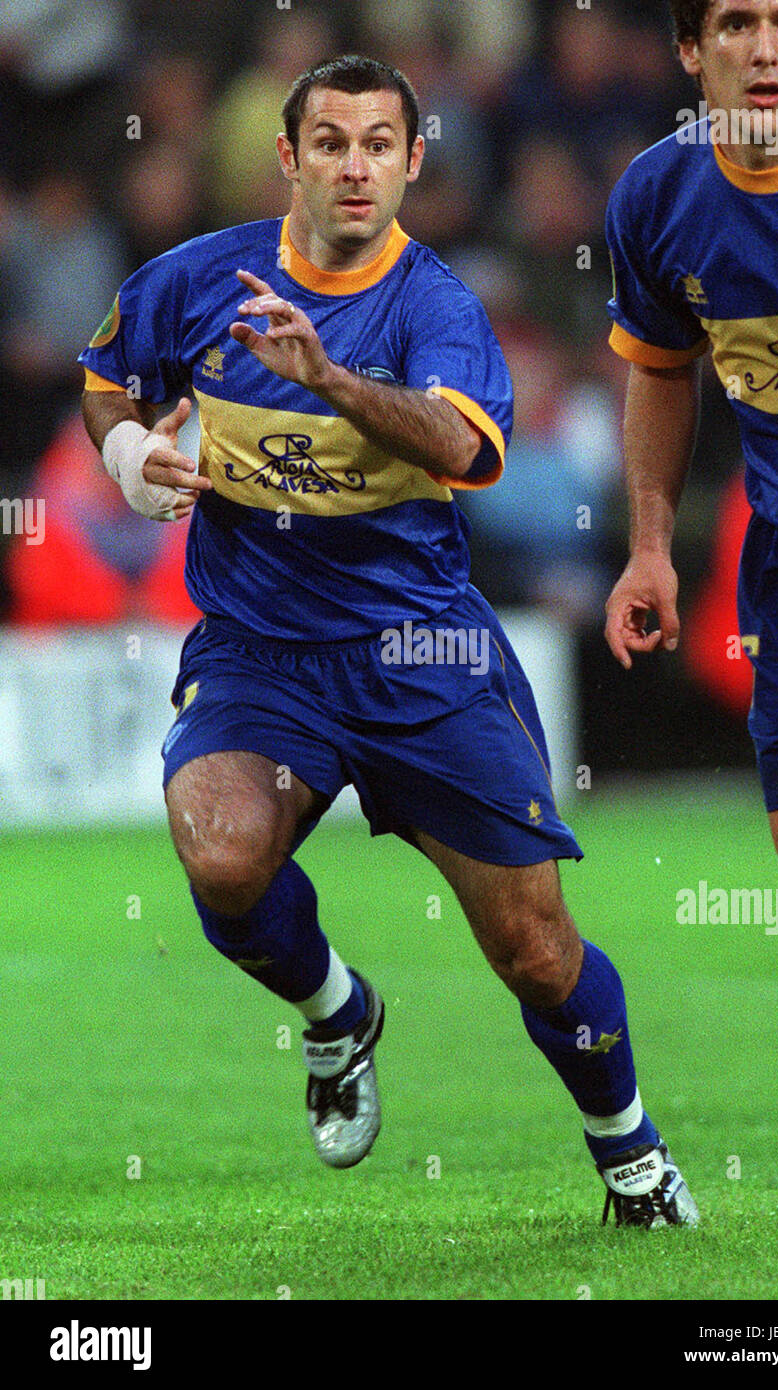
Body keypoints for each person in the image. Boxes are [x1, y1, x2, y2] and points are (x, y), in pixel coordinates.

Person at [80, 55, 698, 1228]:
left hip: (421, 657)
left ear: (414, 163)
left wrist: (329, 374)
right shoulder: (196, 280)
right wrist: (127, 454)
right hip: (260, 651)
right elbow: (107, 381)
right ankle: (336, 1012)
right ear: (288, 158)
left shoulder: (436, 307)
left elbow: (461, 450)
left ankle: (630, 1155)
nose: (354, 165)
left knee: (532, 949)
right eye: (330, 143)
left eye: (378, 144)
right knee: (218, 852)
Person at [604, 0, 778, 958]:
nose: (764, 47)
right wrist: (646, 549)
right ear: (689, 50)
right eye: (734, 24)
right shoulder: (654, 198)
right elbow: (662, 369)